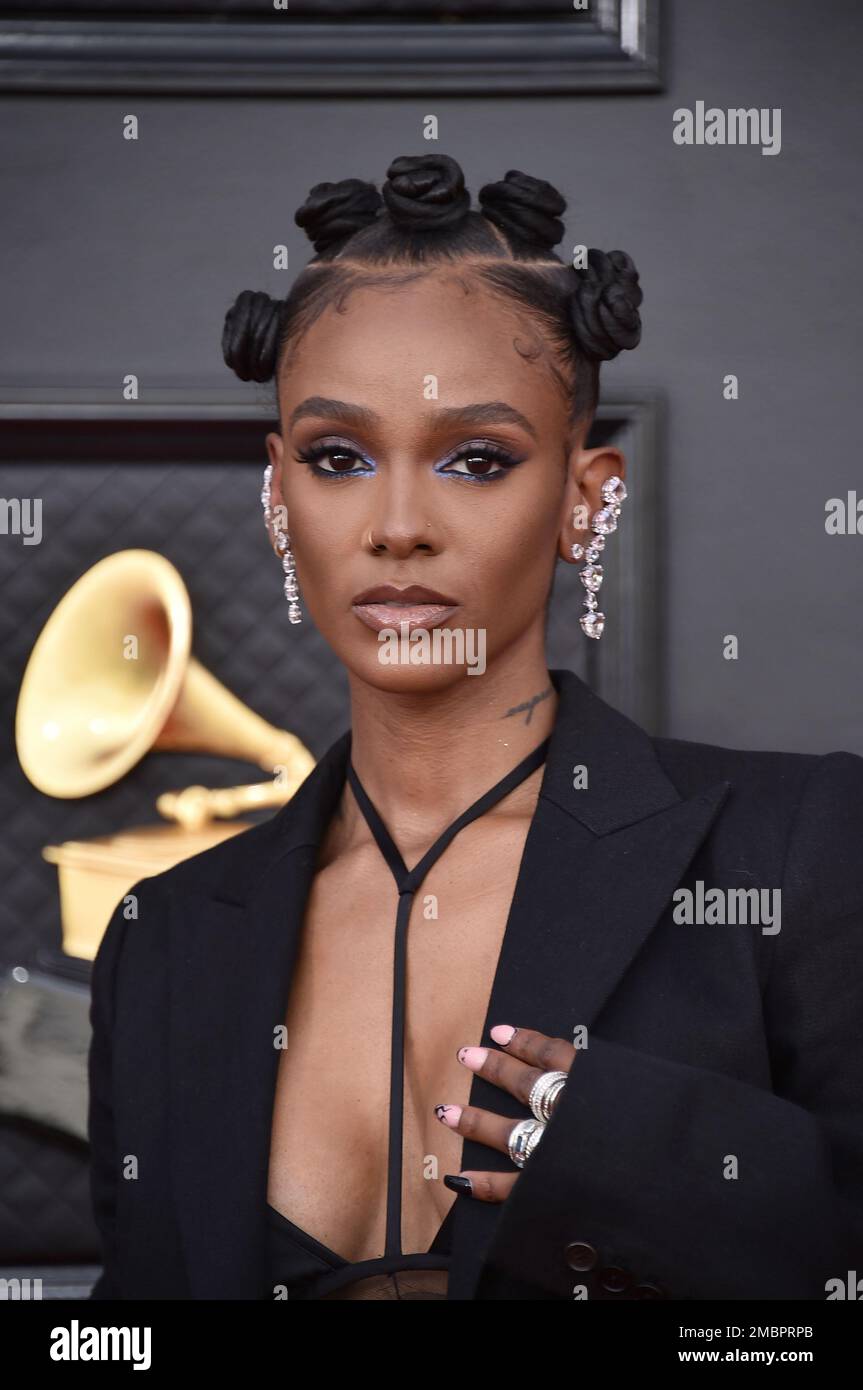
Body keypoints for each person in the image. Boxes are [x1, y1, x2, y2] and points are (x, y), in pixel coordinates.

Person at [87, 154, 863, 1301]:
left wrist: (639, 1152)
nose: (398, 525)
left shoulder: (793, 846)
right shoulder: (163, 935)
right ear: (276, 496)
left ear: (582, 499)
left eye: (476, 459)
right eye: (338, 458)